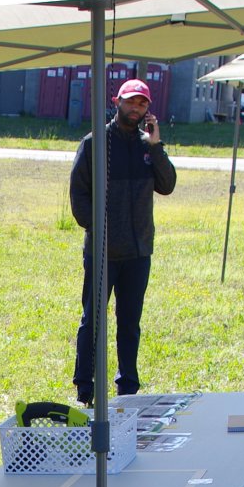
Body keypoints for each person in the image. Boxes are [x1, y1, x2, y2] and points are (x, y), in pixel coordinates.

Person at [68, 77, 177, 405]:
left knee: (130, 322)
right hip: (103, 252)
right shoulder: (95, 142)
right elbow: (78, 194)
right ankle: (85, 388)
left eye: (142, 103)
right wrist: (98, 231)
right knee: (93, 319)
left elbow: (167, 185)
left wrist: (156, 146)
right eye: (131, 101)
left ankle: (127, 387)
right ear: (117, 101)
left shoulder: (148, 146)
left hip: (138, 251)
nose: (136, 107)